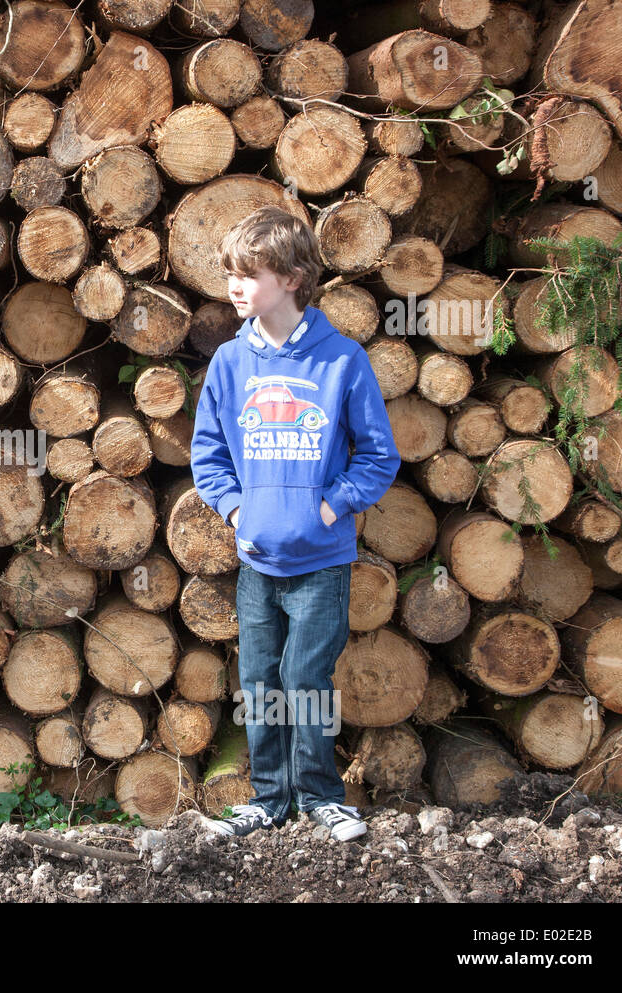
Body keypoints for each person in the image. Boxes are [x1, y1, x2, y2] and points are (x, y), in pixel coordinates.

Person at [190, 205, 401, 842]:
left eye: (246, 273)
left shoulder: (341, 361)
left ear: (289, 275)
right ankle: (269, 798)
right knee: (259, 681)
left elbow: (377, 454)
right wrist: (237, 510)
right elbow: (208, 453)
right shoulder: (229, 362)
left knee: (306, 679)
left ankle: (321, 798)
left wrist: (330, 508)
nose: (233, 284)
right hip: (257, 561)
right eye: (229, 271)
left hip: (322, 563)